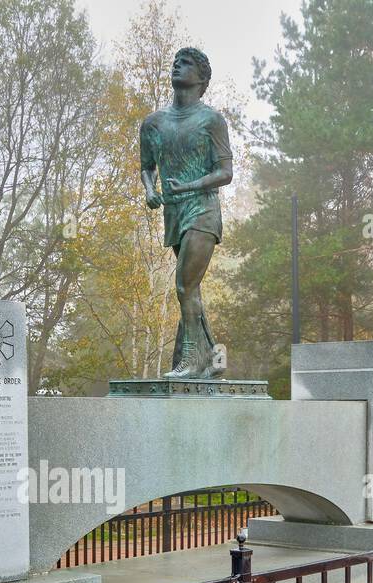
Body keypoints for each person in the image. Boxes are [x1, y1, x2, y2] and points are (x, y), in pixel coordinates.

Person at [139, 47, 233, 379]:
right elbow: (146, 168)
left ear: (202, 78)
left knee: (184, 285)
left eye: (187, 63)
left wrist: (190, 186)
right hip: (174, 214)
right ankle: (210, 360)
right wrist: (151, 191)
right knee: (190, 289)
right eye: (176, 62)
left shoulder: (211, 120)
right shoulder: (153, 123)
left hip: (203, 210)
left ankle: (193, 361)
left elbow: (225, 173)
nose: (178, 66)